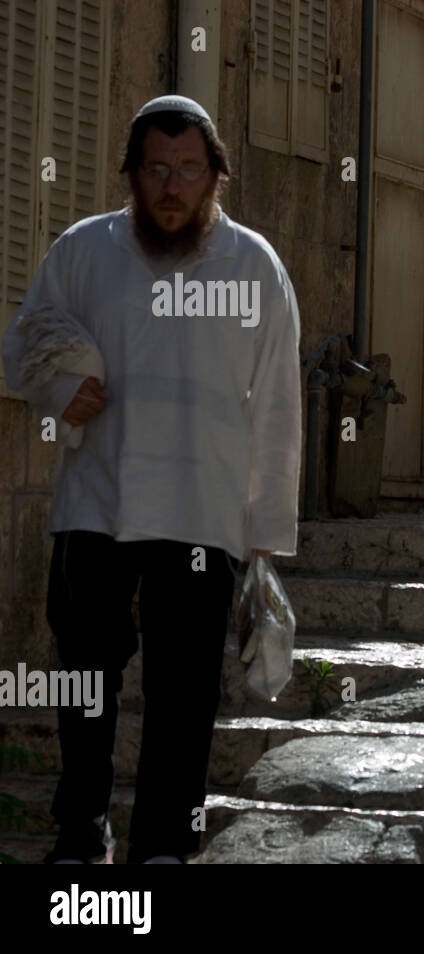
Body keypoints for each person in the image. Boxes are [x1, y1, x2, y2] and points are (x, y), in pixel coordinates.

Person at [1, 94, 302, 864]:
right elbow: (25, 342)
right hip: (94, 506)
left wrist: (263, 540)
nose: (173, 187)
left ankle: (166, 842)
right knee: (86, 681)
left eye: (189, 171)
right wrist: (63, 391)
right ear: (132, 173)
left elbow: (275, 408)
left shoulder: (254, 267)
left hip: (201, 517)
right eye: (158, 169)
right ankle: (81, 831)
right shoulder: (82, 250)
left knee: (184, 692)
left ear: (215, 178)